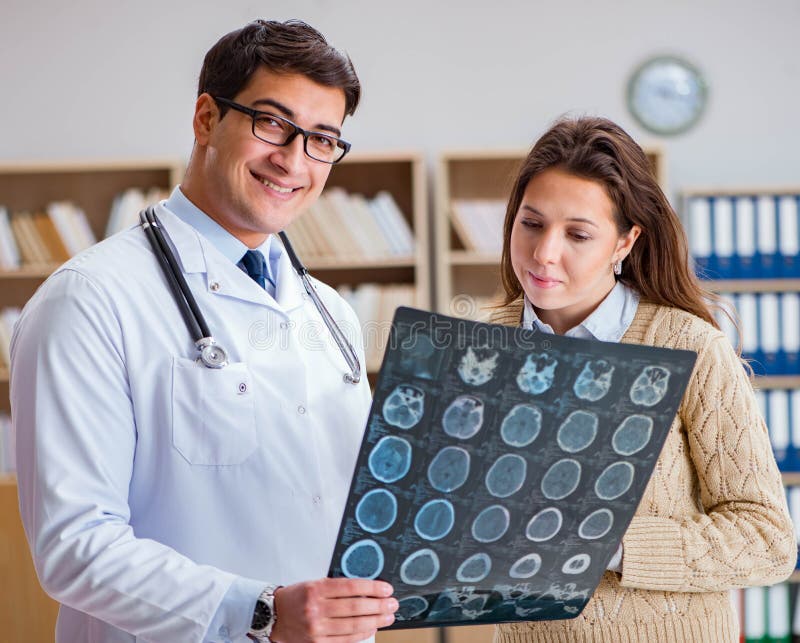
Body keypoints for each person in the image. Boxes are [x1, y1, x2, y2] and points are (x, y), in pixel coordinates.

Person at [11, 19, 398, 643]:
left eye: (323, 139)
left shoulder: (331, 311)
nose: (293, 160)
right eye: (272, 122)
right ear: (206, 120)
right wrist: (262, 613)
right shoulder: (90, 300)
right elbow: (75, 545)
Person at [490, 116, 796, 642]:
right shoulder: (481, 348)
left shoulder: (690, 347)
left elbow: (767, 541)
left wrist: (605, 545)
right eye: (531, 223)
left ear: (625, 242)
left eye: (578, 234)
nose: (544, 253)